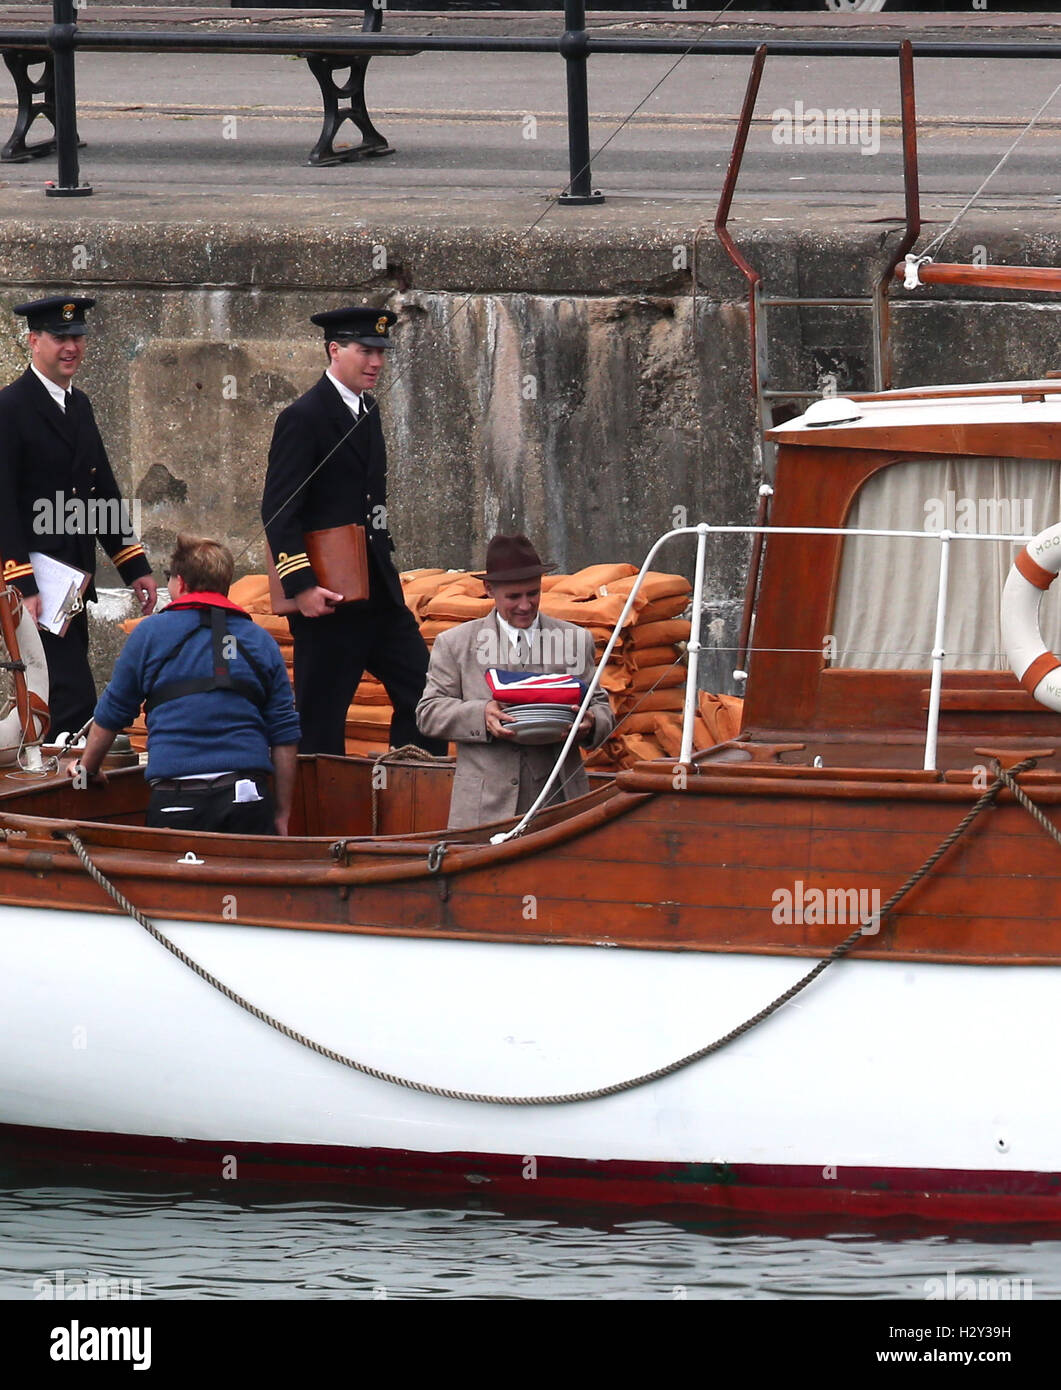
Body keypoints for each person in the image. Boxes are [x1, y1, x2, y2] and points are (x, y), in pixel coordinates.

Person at [261, 304, 444, 758]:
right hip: (327, 598)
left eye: (381, 351)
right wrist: (302, 587)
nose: (376, 362)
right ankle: (319, 824)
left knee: (427, 696)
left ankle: (409, 795)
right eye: (365, 350)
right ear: (334, 349)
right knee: (320, 722)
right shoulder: (303, 417)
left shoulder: (369, 410)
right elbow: (279, 511)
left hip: (377, 593)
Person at [0, 296, 157, 736]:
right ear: (33, 341)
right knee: (70, 699)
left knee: (59, 696)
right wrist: (22, 584)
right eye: (59, 338)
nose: (71, 347)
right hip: (36, 588)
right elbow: (4, 505)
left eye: (77, 338)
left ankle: (49, 782)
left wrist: (134, 565)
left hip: (72, 586)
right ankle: (66, 791)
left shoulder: (80, 405)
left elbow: (101, 490)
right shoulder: (10, 408)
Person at [71, 535, 301, 835]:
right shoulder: (261, 641)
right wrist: (282, 814)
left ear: (180, 583)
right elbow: (284, 733)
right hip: (248, 799)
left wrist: (86, 771)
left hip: (176, 800)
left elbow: (112, 712)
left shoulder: (149, 634)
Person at [416, 533, 614, 830]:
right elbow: (428, 713)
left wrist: (590, 723)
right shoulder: (455, 644)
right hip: (483, 811)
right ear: (488, 590)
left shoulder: (574, 639)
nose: (525, 605)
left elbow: (600, 706)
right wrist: (480, 714)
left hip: (557, 803)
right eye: (513, 597)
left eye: (533, 594)